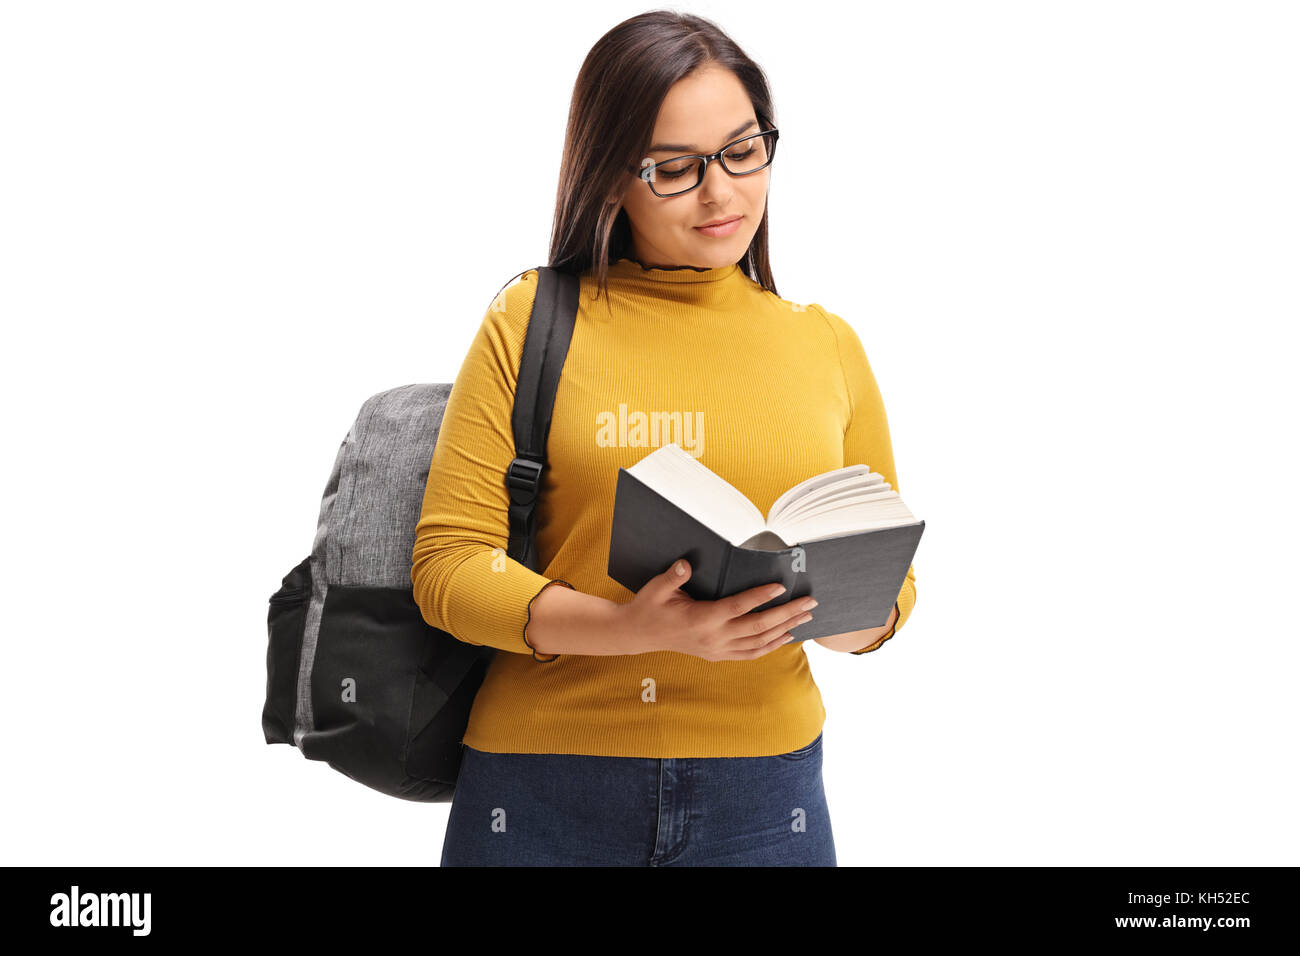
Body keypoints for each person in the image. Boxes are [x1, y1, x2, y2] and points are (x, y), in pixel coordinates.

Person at [411, 10, 917, 866]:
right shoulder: (531, 319)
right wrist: (640, 628)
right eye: (675, 169)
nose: (721, 193)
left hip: (766, 791)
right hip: (542, 784)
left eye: (742, 151)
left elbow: (892, 584)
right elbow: (448, 569)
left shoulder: (826, 343)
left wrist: (848, 618)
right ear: (612, 178)